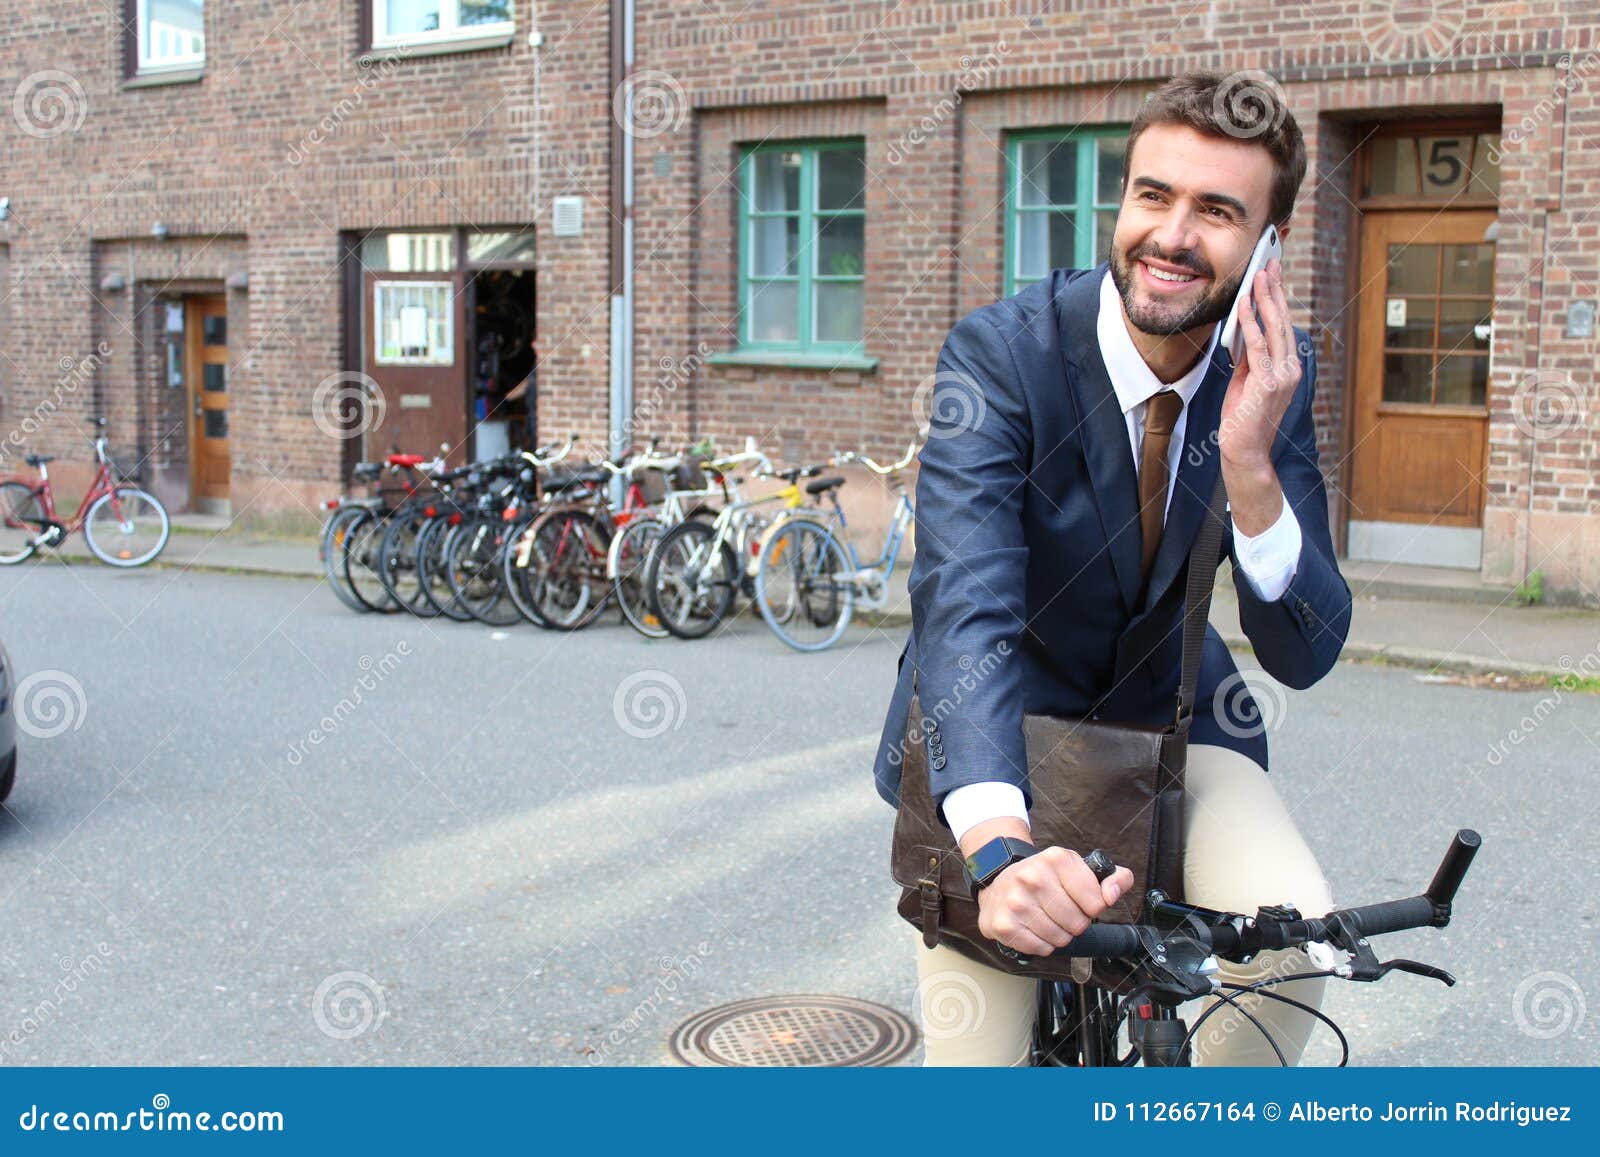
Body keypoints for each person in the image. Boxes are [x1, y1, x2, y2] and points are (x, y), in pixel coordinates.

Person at [873, 72, 1352, 1066]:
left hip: (1174, 724)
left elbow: (1304, 648)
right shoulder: (1001, 357)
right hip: (1000, 730)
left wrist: (1250, 465)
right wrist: (1000, 847)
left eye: (1217, 211)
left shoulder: (1268, 374)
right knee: (976, 1075)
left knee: (1296, 948)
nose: (1172, 236)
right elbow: (967, 606)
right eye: (1152, 195)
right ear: (1121, 200)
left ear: (1266, 247)